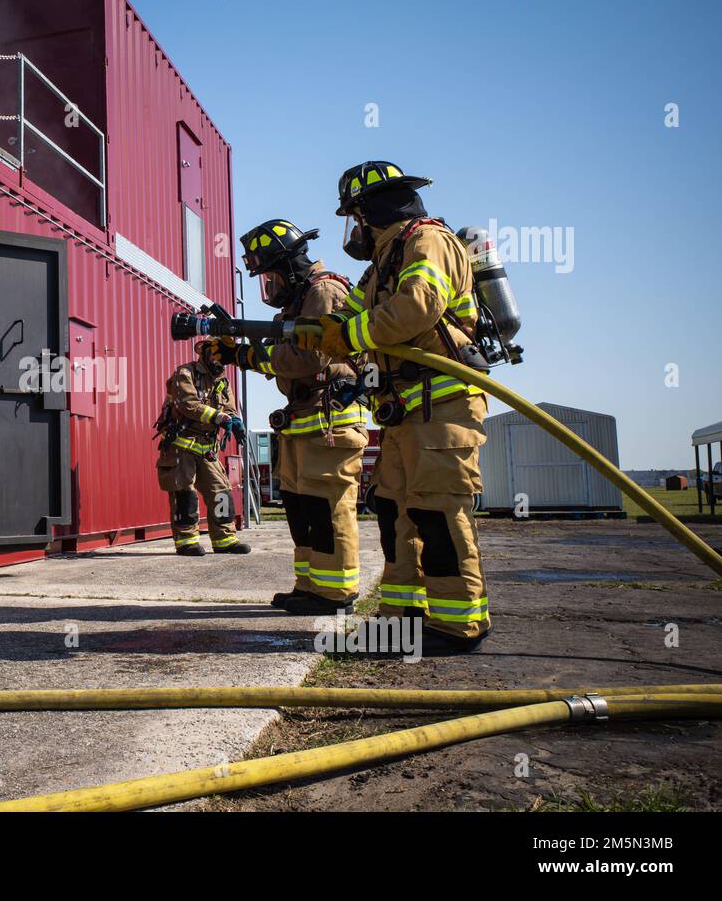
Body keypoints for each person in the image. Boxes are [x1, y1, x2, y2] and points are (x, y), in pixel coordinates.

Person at [294, 161, 491, 653]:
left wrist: (350, 334)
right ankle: (401, 620)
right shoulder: (384, 260)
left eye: (355, 218)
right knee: (396, 512)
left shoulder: (428, 241)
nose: (354, 230)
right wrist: (313, 330)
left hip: (443, 406)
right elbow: (352, 315)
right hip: (404, 410)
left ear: (370, 211)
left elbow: (417, 306)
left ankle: (459, 623)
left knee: (438, 513)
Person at [227, 220, 367, 614]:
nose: (268, 286)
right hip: (303, 421)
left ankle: (337, 592)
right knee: (301, 508)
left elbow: (309, 356)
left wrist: (249, 356)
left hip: (330, 423)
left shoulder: (323, 290)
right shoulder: (299, 299)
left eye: (270, 275)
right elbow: (285, 358)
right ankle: (311, 585)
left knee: (328, 507)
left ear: (289, 266)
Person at [155, 340, 251, 555]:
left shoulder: (223, 383)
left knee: (221, 492)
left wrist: (235, 421)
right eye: (213, 353)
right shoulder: (185, 373)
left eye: (221, 354)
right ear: (204, 354)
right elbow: (188, 404)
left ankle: (225, 540)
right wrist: (221, 418)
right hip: (181, 444)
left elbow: (229, 409)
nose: (218, 358)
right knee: (185, 494)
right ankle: (187, 542)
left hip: (207, 447)